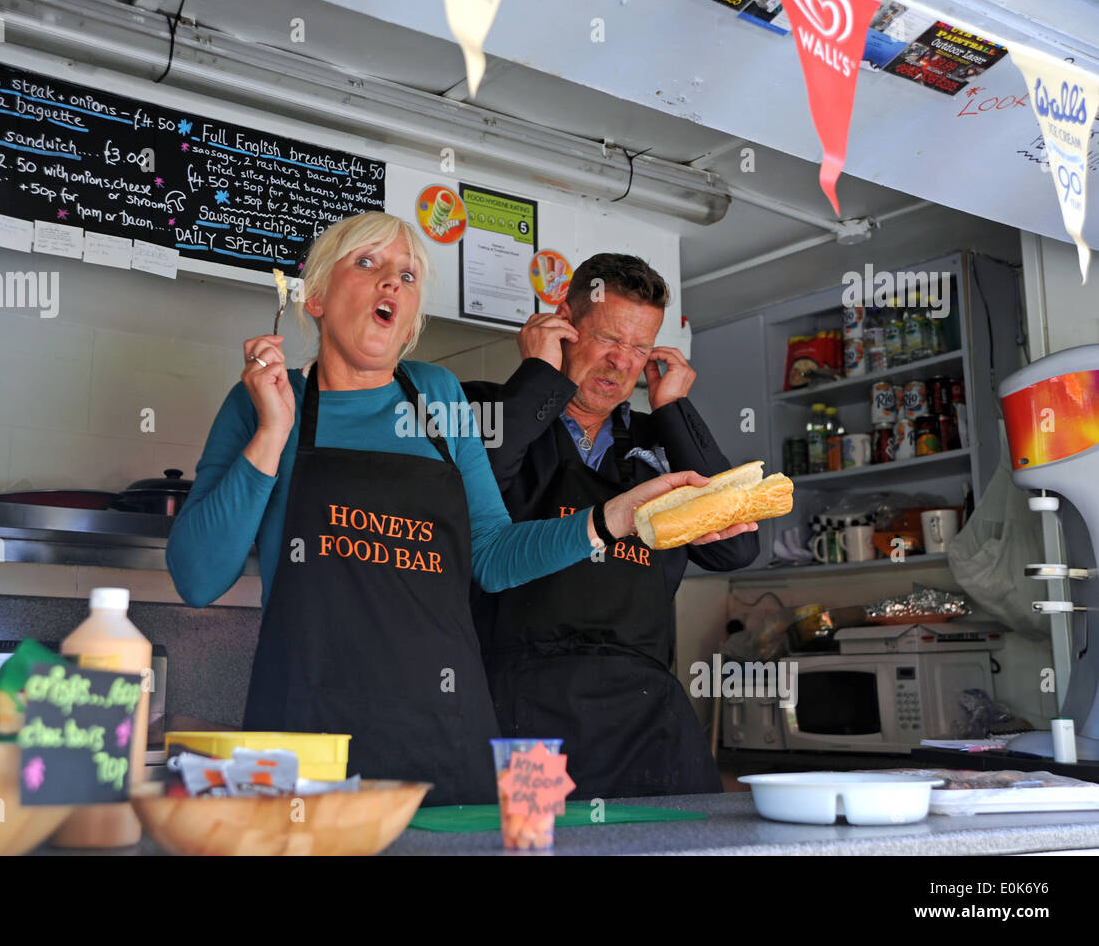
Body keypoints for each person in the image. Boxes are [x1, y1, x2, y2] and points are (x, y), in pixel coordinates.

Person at [166, 216, 712, 806]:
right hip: (308, 721)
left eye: (406, 274)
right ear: (317, 296)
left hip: (446, 726)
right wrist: (272, 433)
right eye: (367, 264)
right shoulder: (266, 402)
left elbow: (492, 557)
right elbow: (198, 578)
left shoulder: (438, 395)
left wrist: (615, 518)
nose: (391, 285)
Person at [462, 253, 760, 799]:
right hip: (522, 708)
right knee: (534, 849)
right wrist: (540, 376)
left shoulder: (659, 441)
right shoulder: (488, 407)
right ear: (562, 324)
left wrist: (675, 410)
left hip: (645, 712)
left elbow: (736, 549)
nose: (621, 364)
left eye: (639, 348)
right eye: (606, 339)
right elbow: (477, 476)